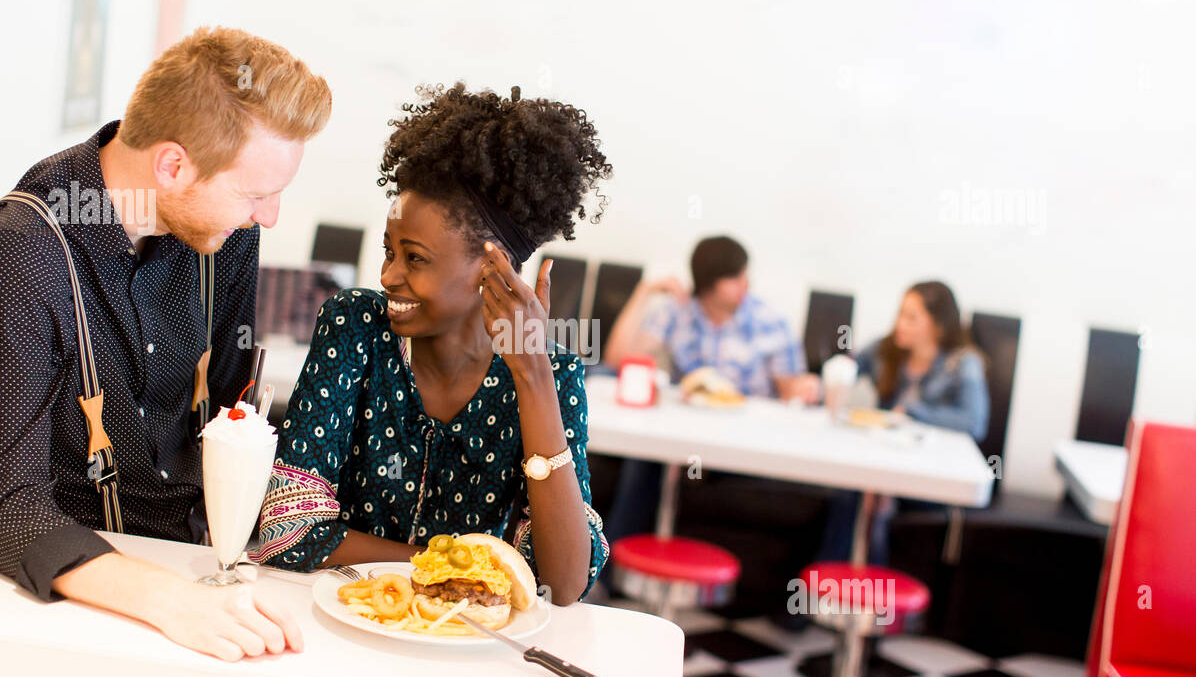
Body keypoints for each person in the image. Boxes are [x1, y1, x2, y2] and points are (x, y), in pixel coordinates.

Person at [0, 26, 332, 677]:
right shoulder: (21, 248)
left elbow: (232, 409)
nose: (270, 217)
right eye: (257, 193)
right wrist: (175, 604)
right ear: (172, 164)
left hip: (200, 579)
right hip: (73, 606)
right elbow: (7, 508)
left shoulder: (225, 237)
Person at [257, 82, 611, 607]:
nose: (388, 276)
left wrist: (533, 376)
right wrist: (457, 572)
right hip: (343, 628)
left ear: (492, 270)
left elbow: (561, 582)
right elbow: (290, 531)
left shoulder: (551, 374)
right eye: (388, 251)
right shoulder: (356, 327)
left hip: (472, 654)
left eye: (415, 258)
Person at [600, 236, 820, 545]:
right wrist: (645, 291)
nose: (746, 284)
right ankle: (606, 568)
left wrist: (805, 387)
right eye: (734, 277)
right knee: (646, 461)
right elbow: (617, 359)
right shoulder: (678, 312)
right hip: (685, 436)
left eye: (745, 274)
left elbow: (789, 391)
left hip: (745, 440)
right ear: (708, 283)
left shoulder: (767, 320)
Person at [814, 280, 990, 566]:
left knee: (865, 495)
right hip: (880, 463)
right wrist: (826, 381)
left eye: (911, 318)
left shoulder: (963, 363)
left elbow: (974, 422)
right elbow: (847, 366)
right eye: (900, 314)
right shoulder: (887, 350)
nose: (900, 324)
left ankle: (863, 595)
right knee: (853, 490)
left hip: (926, 470)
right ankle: (830, 590)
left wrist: (911, 411)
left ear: (937, 325)